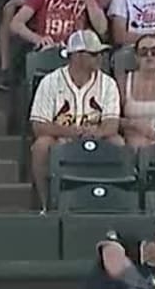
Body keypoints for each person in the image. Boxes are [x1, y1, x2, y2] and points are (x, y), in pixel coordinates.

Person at [28, 29, 122, 210]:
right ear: (77, 56)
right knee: (41, 145)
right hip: (62, 140)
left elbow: (112, 125)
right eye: (94, 54)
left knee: (117, 142)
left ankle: (111, 203)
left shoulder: (108, 83)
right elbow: (39, 125)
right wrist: (73, 132)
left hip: (97, 140)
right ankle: (46, 205)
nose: (99, 58)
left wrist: (95, 133)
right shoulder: (50, 81)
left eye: (100, 54)